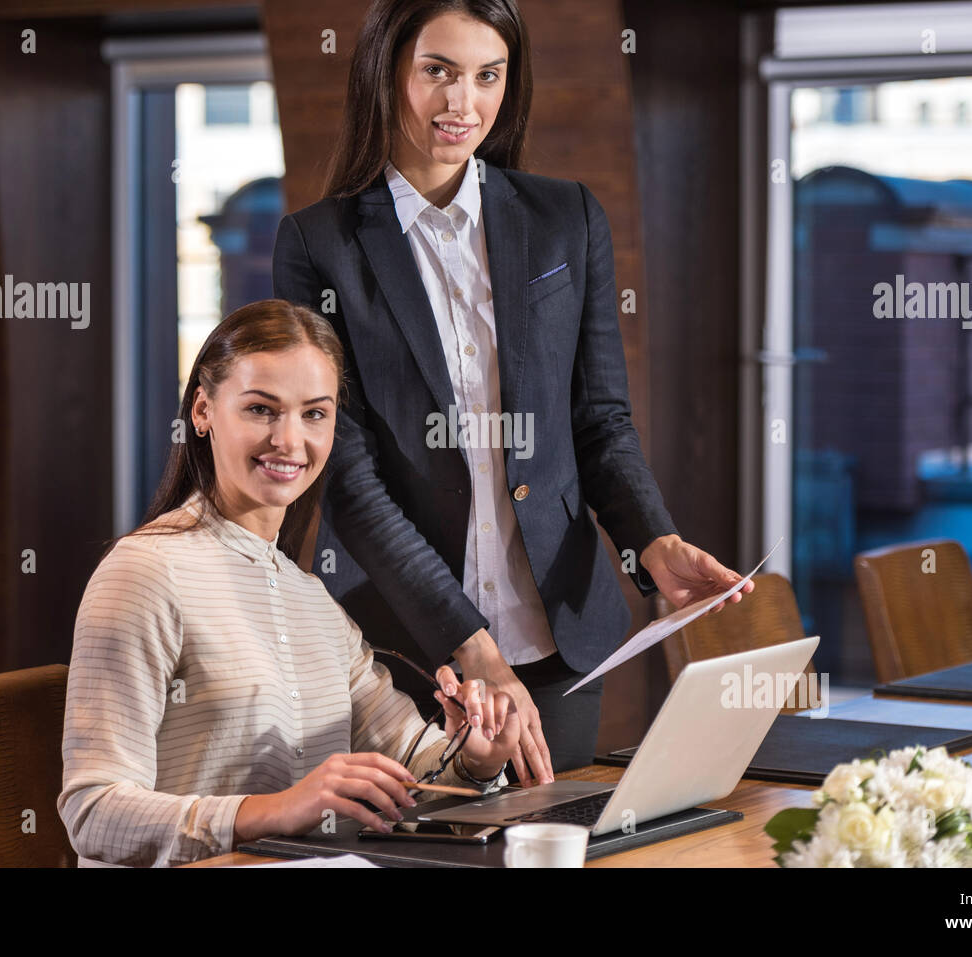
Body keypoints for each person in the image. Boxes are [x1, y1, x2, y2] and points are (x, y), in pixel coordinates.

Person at [271, 0, 751, 788]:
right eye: (438, 72)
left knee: (548, 843)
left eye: (487, 76)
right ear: (388, 72)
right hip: (404, 648)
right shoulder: (320, 246)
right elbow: (349, 479)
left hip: (557, 637)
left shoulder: (567, 219)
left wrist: (654, 543)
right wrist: (472, 643)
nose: (463, 104)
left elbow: (599, 423)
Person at [58, 300, 520, 867]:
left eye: (314, 414)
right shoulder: (145, 573)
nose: (289, 440)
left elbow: (410, 757)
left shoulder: (311, 599)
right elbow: (93, 810)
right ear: (202, 411)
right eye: (261, 409)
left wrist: (474, 756)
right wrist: (275, 809)